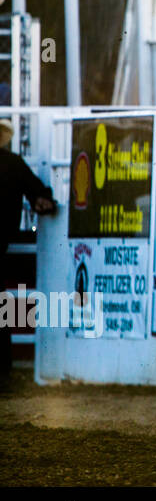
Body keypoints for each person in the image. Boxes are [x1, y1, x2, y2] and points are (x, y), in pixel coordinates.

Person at [0, 118, 55, 386]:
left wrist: (41, 199)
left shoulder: (12, 164)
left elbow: (38, 193)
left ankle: (4, 368)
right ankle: (4, 368)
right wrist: (43, 200)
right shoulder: (12, 164)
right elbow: (39, 193)